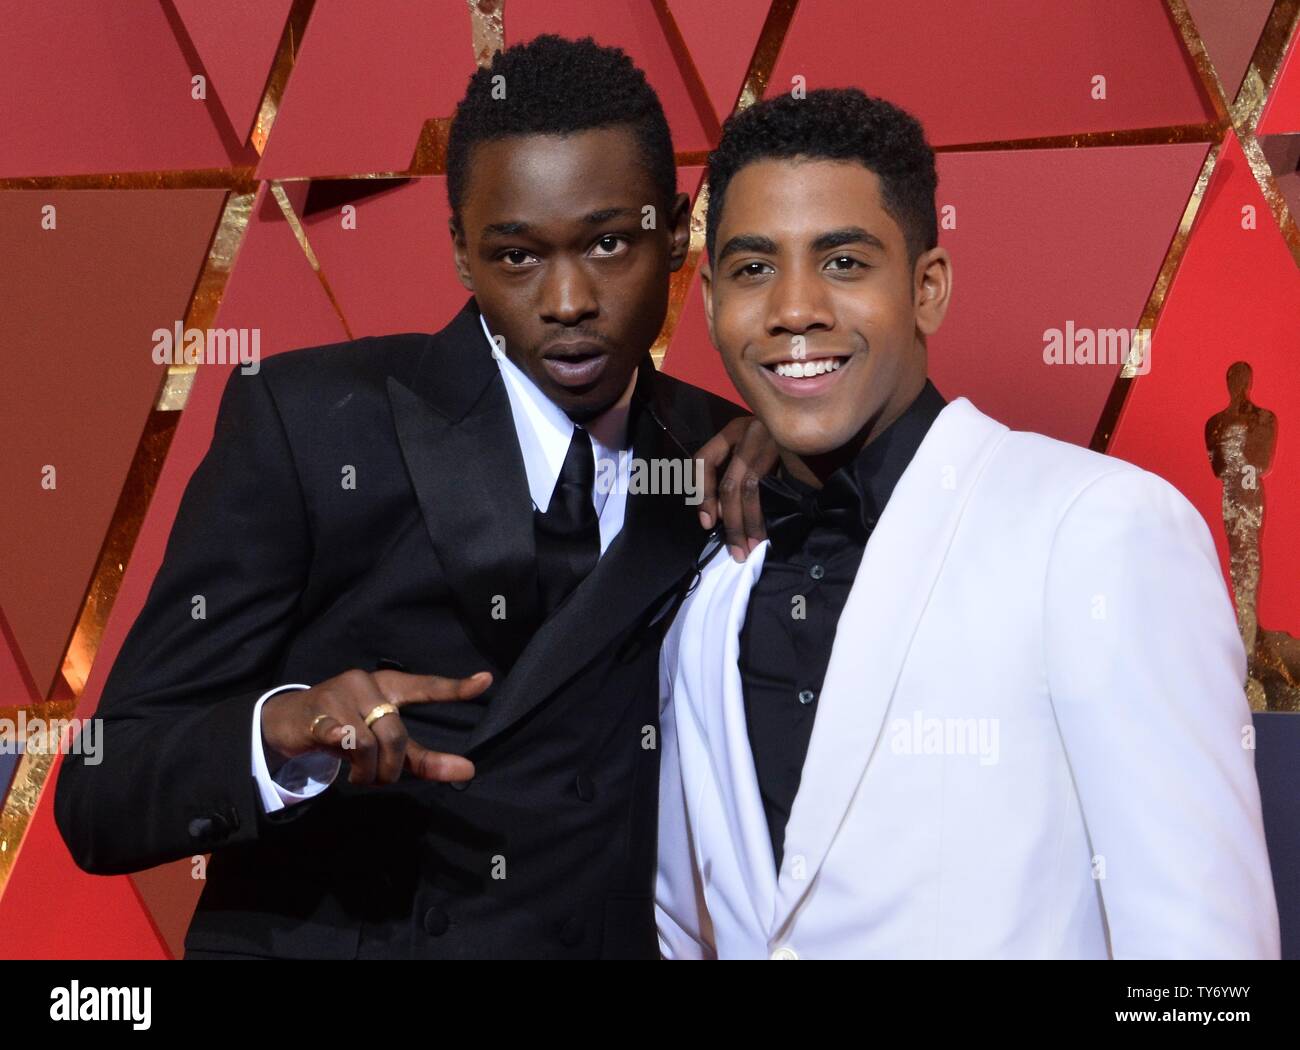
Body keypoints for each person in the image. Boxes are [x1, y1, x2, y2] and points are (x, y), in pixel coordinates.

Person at [55, 35, 772, 960]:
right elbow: (97, 793)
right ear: (462, 255)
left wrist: (799, 447)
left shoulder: (732, 455)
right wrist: (277, 737)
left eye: (607, 243)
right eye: (516, 256)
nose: (567, 298)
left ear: (677, 232)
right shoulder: (310, 425)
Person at [655, 88, 1280, 959]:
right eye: (754, 268)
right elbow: (691, 927)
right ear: (713, 297)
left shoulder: (1098, 529)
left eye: (842, 262)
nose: (794, 309)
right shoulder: (709, 583)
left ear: (927, 289)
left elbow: (1202, 962)